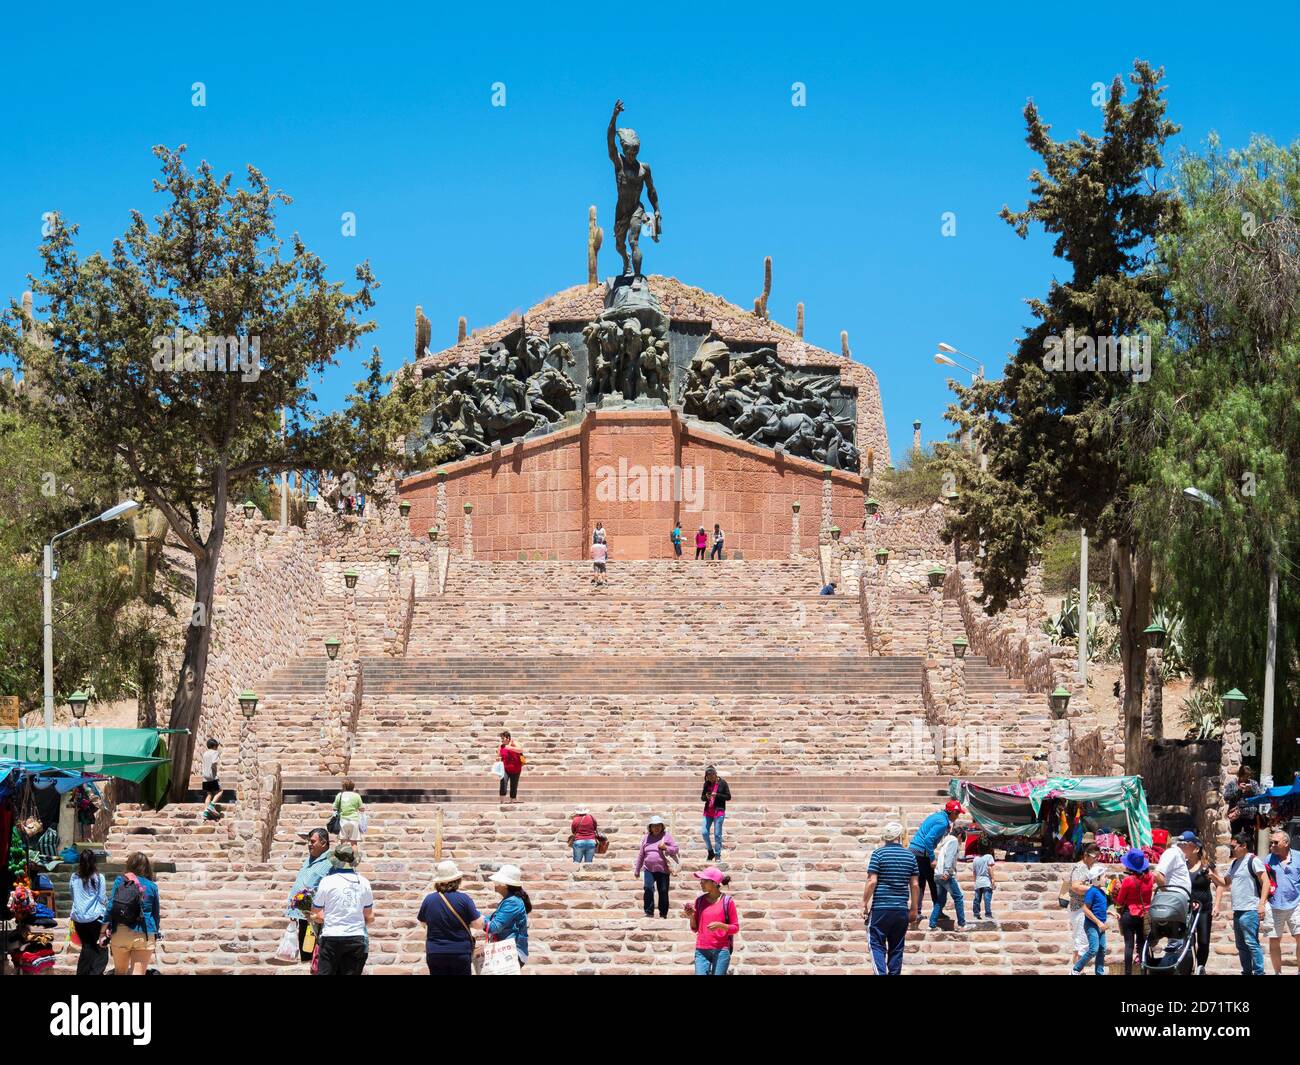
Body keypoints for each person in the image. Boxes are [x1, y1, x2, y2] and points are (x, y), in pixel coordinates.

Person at [862, 822, 920, 975]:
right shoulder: (910, 856)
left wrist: (863, 904)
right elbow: (914, 885)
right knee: (897, 947)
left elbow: (872, 881)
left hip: (881, 907)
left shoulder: (878, 854)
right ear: (900, 837)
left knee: (876, 944)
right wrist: (914, 908)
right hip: (901, 909)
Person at [310, 843, 373, 975]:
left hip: (331, 936)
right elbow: (368, 916)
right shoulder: (364, 882)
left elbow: (316, 913)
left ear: (335, 861)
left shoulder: (327, 881)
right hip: (356, 937)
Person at [416, 859, 484, 975]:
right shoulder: (464, 899)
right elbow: (478, 925)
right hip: (460, 952)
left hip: (435, 952)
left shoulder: (429, 900)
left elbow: (423, 923)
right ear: (457, 880)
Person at [1217, 832, 1269, 975]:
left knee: (1252, 943)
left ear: (1244, 846)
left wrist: (1261, 904)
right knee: (1241, 945)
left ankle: (1259, 972)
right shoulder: (1234, 863)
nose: (1231, 849)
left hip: (1250, 909)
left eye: (1233, 846)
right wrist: (1212, 874)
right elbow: (1225, 882)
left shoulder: (1253, 860)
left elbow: (1265, 881)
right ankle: (1246, 972)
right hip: (1238, 910)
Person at [104, 851, 161, 976]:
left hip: (121, 932)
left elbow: (111, 906)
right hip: (144, 933)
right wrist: (155, 933)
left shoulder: (120, 881)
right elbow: (156, 915)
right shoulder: (152, 886)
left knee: (120, 972)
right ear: (147, 867)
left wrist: (103, 929)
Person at [286, 827, 335, 963]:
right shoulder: (308, 860)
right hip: (303, 916)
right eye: (308, 841)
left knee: (314, 954)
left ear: (324, 843)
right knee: (306, 953)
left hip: (317, 918)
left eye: (312, 841)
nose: (309, 844)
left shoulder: (330, 862)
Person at [908, 800, 962, 921]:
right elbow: (928, 840)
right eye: (957, 813)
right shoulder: (942, 822)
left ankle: (917, 911)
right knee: (934, 882)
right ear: (952, 812)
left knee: (921, 882)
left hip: (916, 852)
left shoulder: (938, 817)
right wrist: (932, 859)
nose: (958, 816)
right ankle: (937, 912)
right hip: (921, 853)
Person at [685, 867, 738, 975]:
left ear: (714, 882)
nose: (701, 883)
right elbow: (695, 928)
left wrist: (721, 925)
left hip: (721, 950)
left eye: (704, 880)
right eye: (701, 880)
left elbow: (735, 928)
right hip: (701, 949)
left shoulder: (728, 902)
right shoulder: (699, 901)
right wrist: (691, 916)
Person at [1264, 828, 1300, 975]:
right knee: (1274, 940)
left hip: (1296, 904)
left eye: (1275, 842)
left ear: (1286, 843)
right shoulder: (1267, 859)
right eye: (1271, 842)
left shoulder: (1298, 857)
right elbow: (1262, 881)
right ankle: (1277, 972)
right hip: (1274, 905)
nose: (1272, 845)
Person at [69, 849, 109, 976]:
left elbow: (73, 895)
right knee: (100, 948)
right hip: (94, 917)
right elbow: (102, 899)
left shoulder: (74, 877)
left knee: (87, 946)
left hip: (78, 919)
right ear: (94, 862)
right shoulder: (99, 877)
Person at [1066, 842, 1107, 967]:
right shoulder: (1080, 868)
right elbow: (1075, 886)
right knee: (1082, 941)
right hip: (1079, 908)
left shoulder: (1089, 867)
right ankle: (1078, 970)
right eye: (1094, 857)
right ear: (1086, 855)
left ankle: (1077, 969)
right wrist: (1093, 889)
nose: (1096, 859)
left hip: (1084, 908)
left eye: (1097, 857)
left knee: (1080, 942)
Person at [1115, 848, 1153, 976]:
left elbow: (1120, 900)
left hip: (1129, 914)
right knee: (1142, 945)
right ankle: (1144, 971)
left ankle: (1128, 973)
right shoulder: (1151, 878)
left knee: (1129, 945)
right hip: (1145, 915)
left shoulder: (1128, 880)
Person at [485, 865, 531, 967]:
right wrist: (475, 916)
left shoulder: (512, 902)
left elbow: (494, 927)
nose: (494, 884)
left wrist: (477, 920)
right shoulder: (510, 900)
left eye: (497, 882)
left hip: (512, 953)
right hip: (508, 952)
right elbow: (492, 918)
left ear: (505, 885)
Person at [1187, 842, 1222, 976]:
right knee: (1188, 940)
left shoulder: (1207, 866)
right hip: (1187, 908)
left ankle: (1200, 968)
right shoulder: (1182, 866)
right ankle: (1189, 967)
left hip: (1204, 908)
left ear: (1196, 849)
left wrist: (1217, 904)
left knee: (1203, 941)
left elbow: (1220, 884)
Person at [634, 815, 679, 918]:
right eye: (654, 826)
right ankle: (649, 912)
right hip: (648, 869)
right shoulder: (646, 838)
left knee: (663, 891)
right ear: (650, 827)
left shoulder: (666, 836)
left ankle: (663, 913)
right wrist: (637, 869)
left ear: (662, 826)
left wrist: (666, 847)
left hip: (663, 870)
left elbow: (676, 849)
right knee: (648, 888)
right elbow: (641, 854)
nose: (656, 827)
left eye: (658, 825)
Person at [930, 823, 967, 929]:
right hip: (945, 874)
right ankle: (962, 924)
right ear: (959, 835)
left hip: (937, 874)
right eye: (961, 840)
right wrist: (947, 871)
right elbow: (949, 857)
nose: (960, 843)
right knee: (958, 897)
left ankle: (932, 924)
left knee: (940, 900)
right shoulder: (954, 841)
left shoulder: (945, 841)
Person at [1072, 874, 1110, 975]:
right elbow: (1085, 909)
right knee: (1094, 949)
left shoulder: (1101, 892)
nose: (1107, 879)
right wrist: (1098, 923)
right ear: (1097, 879)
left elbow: (1098, 909)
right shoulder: (1092, 891)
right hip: (1092, 925)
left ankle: (1099, 973)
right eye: (1104, 877)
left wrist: (1109, 912)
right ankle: (1076, 969)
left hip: (1100, 925)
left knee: (1101, 950)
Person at [700, 766, 730, 861]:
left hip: (719, 811)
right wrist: (707, 797)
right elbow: (702, 797)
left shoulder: (723, 783)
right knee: (704, 832)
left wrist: (717, 795)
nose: (710, 778)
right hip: (708, 811)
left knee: (717, 834)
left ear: (715, 774)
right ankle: (710, 851)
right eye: (708, 776)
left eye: (711, 775)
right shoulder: (706, 784)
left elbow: (728, 796)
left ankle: (718, 854)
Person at [1225, 766, 1261, 838]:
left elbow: (1259, 797)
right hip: (1236, 816)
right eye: (1244, 777)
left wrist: (1251, 790)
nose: (1245, 779)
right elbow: (1226, 797)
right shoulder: (1233, 784)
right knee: (1235, 838)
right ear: (1240, 775)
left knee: (1249, 838)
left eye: (1248, 776)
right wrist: (1238, 789)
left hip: (1249, 816)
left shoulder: (1253, 783)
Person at [332, 777, 365, 851]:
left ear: (343, 786)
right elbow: (361, 808)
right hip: (354, 821)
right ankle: (355, 860)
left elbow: (334, 808)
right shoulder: (357, 796)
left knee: (343, 842)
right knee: (354, 843)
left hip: (343, 821)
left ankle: (344, 859)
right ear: (353, 786)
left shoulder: (339, 795)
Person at [972, 839, 996, 921]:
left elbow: (974, 872)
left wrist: (975, 881)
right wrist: (993, 879)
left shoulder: (975, 859)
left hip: (978, 882)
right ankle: (988, 914)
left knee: (977, 899)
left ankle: (976, 913)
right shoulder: (989, 857)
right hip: (986, 881)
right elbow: (990, 868)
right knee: (987, 899)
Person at [498, 731, 524, 803]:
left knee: (514, 784)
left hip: (516, 768)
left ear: (508, 738)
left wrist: (509, 747)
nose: (502, 740)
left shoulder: (514, 743)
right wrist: (498, 759)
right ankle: (502, 800)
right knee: (503, 782)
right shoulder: (501, 746)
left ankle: (512, 799)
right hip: (505, 768)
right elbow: (499, 756)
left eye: (503, 738)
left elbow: (521, 750)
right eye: (501, 738)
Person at [200, 738, 222, 820]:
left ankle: (205, 813)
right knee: (220, 791)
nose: (217, 748)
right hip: (212, 776)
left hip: (205, 777)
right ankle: (211, 806)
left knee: (209, 794)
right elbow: (214, 762)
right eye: (217, 746)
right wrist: (214, 768)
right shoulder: (215, 752)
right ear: (214, 746)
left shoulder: (205, 753)